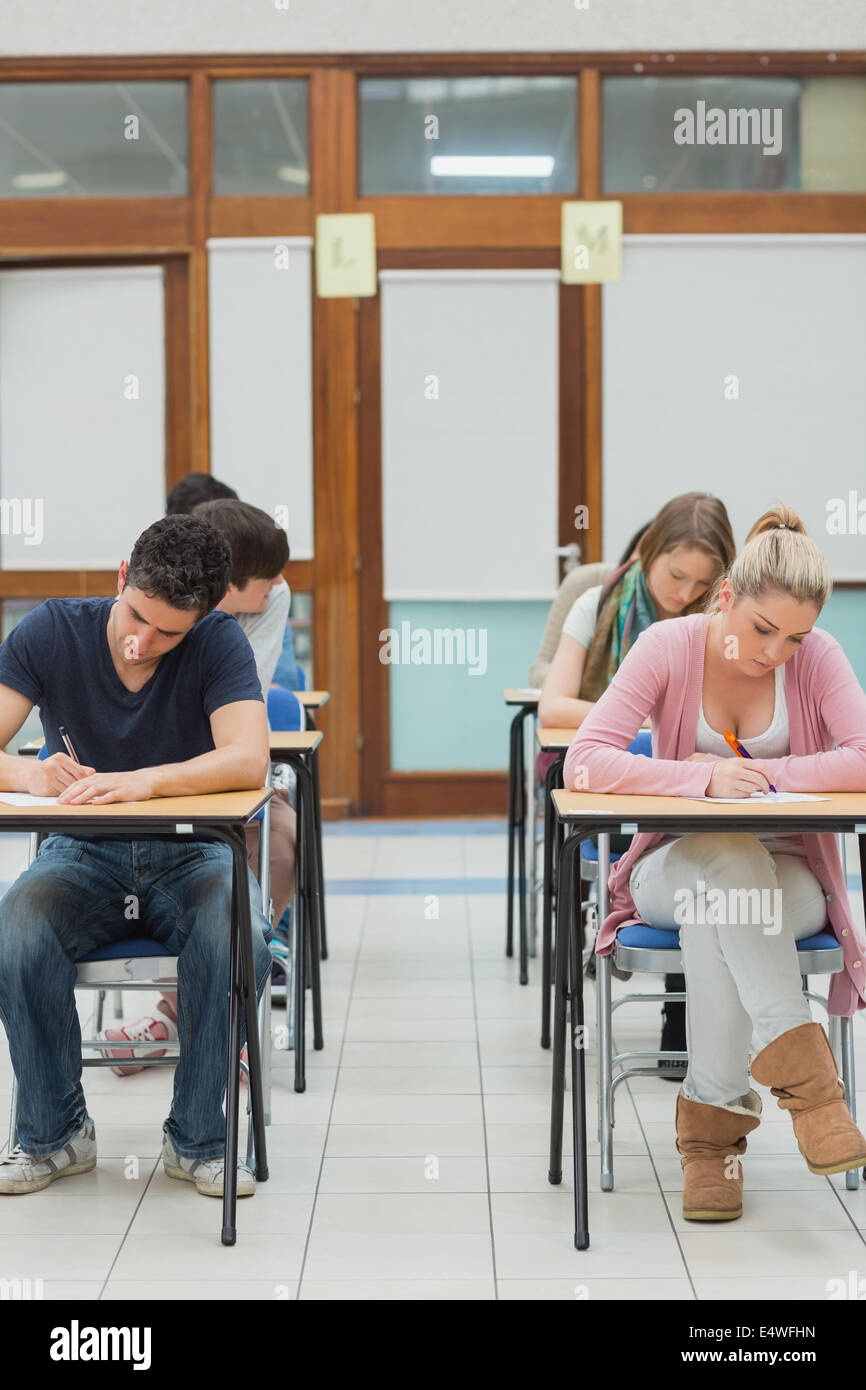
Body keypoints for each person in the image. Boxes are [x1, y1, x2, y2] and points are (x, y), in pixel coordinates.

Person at [564, 505, 866, 1222]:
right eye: (762, 630)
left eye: (793, 638)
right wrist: (699, 778)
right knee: (721, 868)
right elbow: (587, 757)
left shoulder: (818, 656)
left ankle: (711, 1145)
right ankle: (813, 1094)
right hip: (669, 867)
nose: (775, 653)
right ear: (726, 596)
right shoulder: (668, 646)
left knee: (720, 916)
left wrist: (772, 775)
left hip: (788, 881)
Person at [0, 515, 272, 1197]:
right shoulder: (50, 631)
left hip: (192, 851)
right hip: (81, 852)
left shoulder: (217, 644)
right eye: (137, 618)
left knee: (238, 934)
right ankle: (55, 1133)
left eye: (168, 633)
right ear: (123, 578)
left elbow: (249, 758)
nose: (142, 641)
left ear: (204, 617)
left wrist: (147, 780)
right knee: (17, 931)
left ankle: (198, 1140)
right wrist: (28, 774)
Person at [99, 498, 298, 1073]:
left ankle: (196, 1012)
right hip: (143, 783)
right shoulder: (145, 600)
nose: (279, 587)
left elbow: (244, 703)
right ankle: (192, 1013)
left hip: (223, 774)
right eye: (265, 581)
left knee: (277, 836)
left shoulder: (266, 604)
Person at [539, 494, 736, 1075]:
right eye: (675, 574)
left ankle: (683, 1013)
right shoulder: (597, 601)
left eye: (700, 582)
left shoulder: (724, 626)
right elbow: (553, 705)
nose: (682, 593)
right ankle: (590, 945)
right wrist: (641, 721)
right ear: (649, 552)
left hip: (689, 787)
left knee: (699, 846)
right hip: (611, 770)